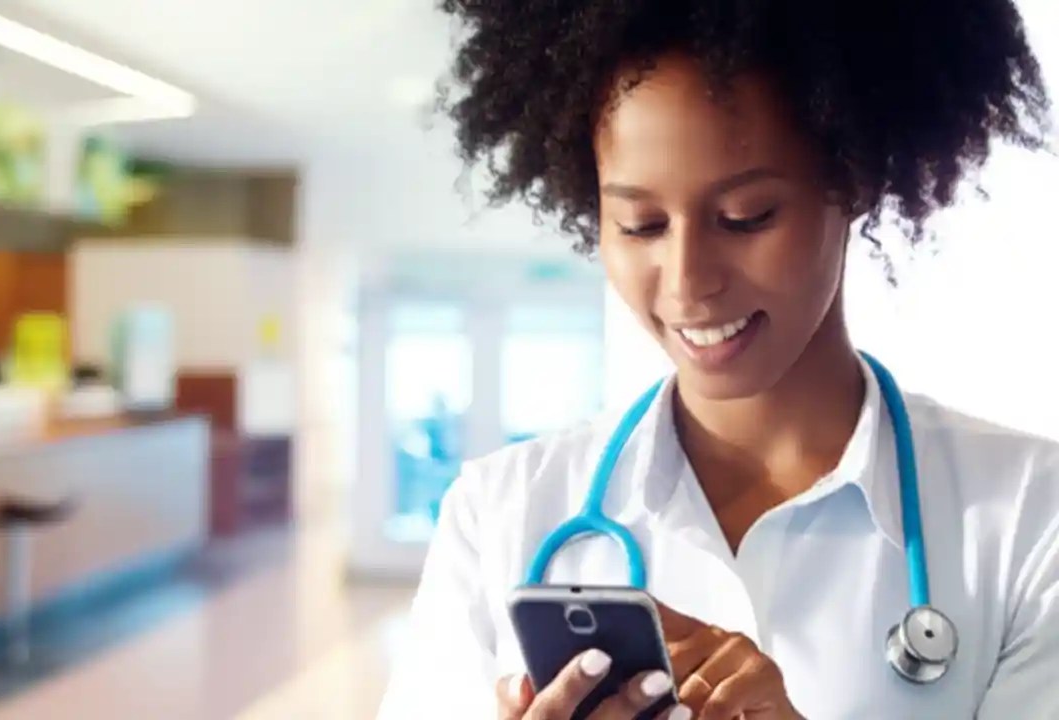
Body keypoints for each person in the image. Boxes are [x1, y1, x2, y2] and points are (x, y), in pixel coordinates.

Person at [378, 0, 1056, 718]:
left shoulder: (1028, 517)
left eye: (746, 217)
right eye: (640, 225)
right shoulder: (501, 514)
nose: (687, 281)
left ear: (854, 178)